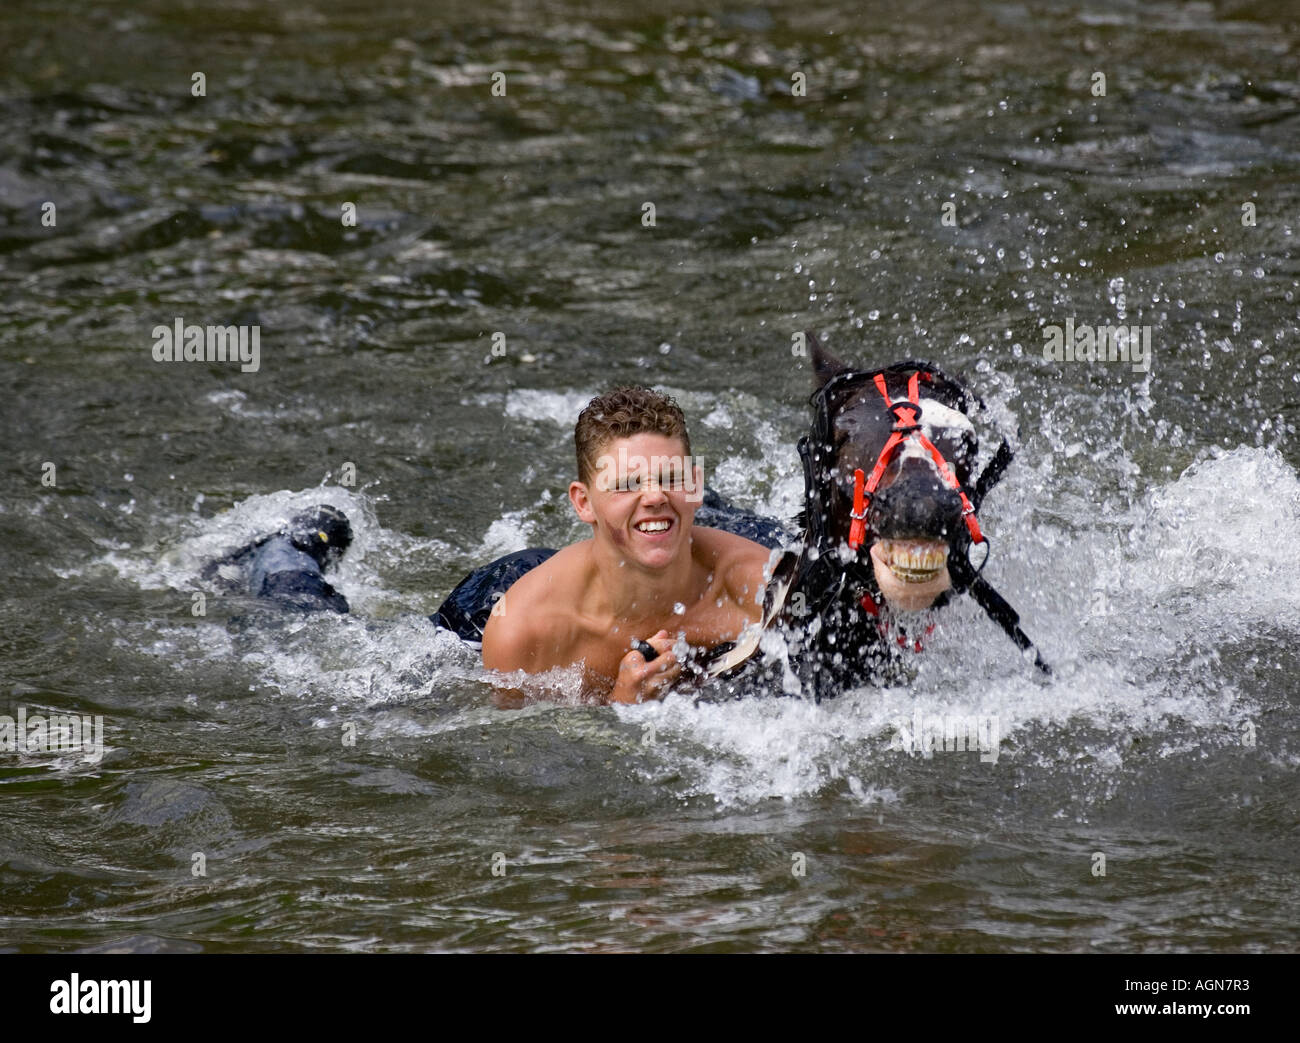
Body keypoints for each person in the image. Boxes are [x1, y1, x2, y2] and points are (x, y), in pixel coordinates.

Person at [449, 386, 785, 705]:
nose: (654, 495)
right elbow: (518, 750)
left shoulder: (761, 590)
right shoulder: (524, 632)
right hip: (516, 576)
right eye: (628, 483)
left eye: (672, 477)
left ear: (695, 484)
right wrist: (620, 705)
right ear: (583, 503)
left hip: (718, 531)